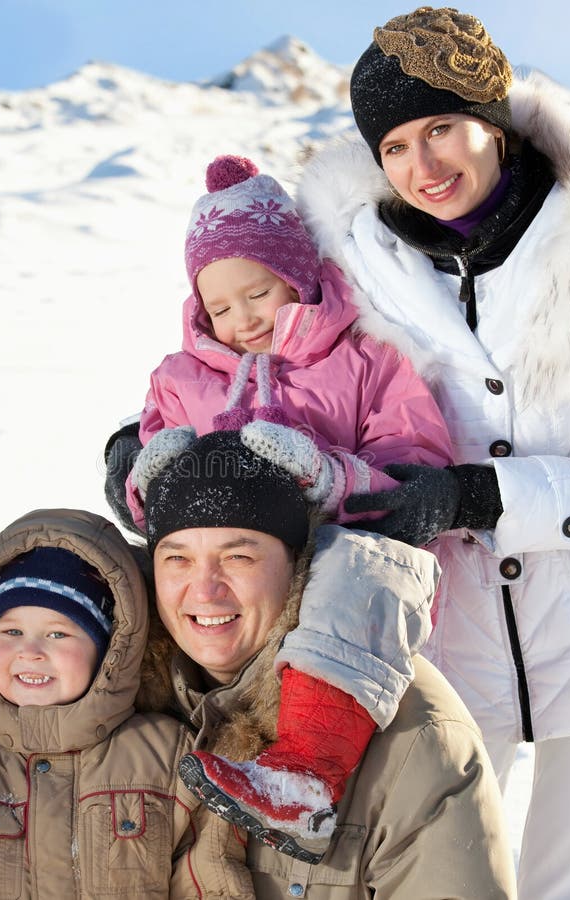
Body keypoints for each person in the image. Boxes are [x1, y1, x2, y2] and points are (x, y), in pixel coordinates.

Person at [294, 6, 570, 898]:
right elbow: (289, 385)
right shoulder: (358, 268)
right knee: (452, 882)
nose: (422, 166)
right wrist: (157, 440)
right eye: (395, 145)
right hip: (450, 644)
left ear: (492, 120)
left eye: (441, 127)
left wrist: (472, 496)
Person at [111, 152, 454, 859]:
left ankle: (303, 774)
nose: (240, 319)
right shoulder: (180, 377)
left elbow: (415, 466)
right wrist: (151, 476)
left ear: (296, 275)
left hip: (329, 578)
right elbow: (150, 473)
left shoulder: (363, 360)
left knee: (359, 567)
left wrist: (330, 477)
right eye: (219, 307)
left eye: (257, 293)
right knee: (72, 558)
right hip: (225, 581)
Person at [136, 428, 517, 897]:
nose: (205, 589)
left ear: (299, 562)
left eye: (237, 556)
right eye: (178, 559)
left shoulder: (416, 737)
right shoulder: (112, 707)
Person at [0, 508, 254, 899]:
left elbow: (211, 880)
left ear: (109, 651)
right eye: (11, 630)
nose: (29, 651)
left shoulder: (168, 757)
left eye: (57, 634)